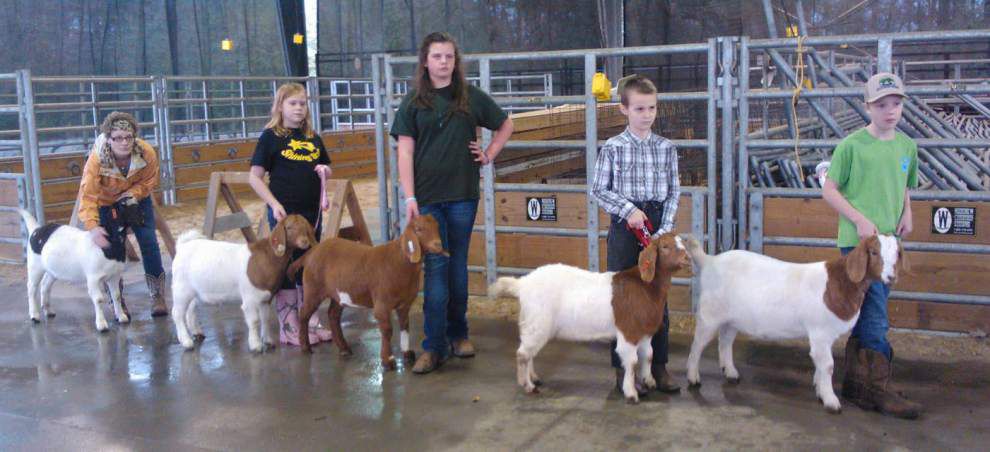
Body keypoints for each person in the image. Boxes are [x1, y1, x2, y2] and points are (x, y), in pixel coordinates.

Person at [390, 31, 514, 374]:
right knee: (436, 269)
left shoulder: (470, 97)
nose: (444, 62)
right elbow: (405, 149)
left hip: (462, 195)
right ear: (425, 61)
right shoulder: (414, 101)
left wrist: (489, 153)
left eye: (449, 57)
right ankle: (433, 345)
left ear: (455, 61)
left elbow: (506, 125)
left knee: (457, 266)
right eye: (437, 56)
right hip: (427, 199)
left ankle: (459, 335)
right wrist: (410, 195)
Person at [823, 72, 922, 419]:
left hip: (889, 243)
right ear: (868, 107)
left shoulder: (906, 146)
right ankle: (877, 389)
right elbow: (830, 189)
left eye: (896, 103)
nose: (890, 111)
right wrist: (858, 220)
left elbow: (905, 184)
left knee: (867, 310)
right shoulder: (851, 146)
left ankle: (855, 383)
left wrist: (907, 210)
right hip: (860, 247)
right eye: (882, 105)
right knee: (876, 313)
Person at [590, 74, 681, 396]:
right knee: (625, 298)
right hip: (625, 229)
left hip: (656, 226)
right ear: (624, 110)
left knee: (659, 297)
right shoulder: (613, 149)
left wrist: (664, 228)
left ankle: (660, 366)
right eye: (640, 108)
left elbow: (673, 191)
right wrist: (628, 210)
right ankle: (623, 370)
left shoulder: (666, 149)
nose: (647, 115)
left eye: (651, 108)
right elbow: (599, 189)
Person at [248, 82, 333, 346]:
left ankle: (309, 320)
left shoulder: (313, 138)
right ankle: (288, 324)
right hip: (285, 216)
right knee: (285, 265)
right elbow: (255, 178)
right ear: (280, 106)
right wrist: (273, 204)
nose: (298, 108)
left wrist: (325, 175)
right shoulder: (270, 137)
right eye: (293, 103)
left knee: (309, 264)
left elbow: (327, 167)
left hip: (311, 215)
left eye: (303, 103)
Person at [79, 111, 168, 318]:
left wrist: (133, 194)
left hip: (135, 196)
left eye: (128, 137)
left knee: (148, 240)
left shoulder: (146, 153)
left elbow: (150, 180)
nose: (124, 142)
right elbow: (88, 195)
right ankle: (117, 300)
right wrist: (92, 226)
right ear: (109, 139)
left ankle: (157, 295)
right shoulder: (97, 159)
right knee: (112, 248)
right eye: (118, 138)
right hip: (104, 200)